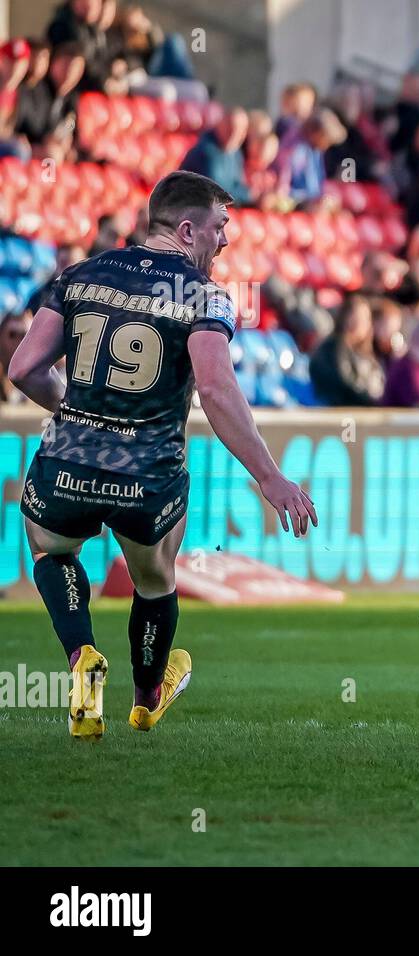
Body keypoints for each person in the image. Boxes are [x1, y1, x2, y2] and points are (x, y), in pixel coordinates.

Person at [6, 170, 317, 740]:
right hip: (148, 476)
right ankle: (147, 698)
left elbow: (23, 368)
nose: (225, 241)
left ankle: (82, 658)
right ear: (187, 228)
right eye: (220, 228)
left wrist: (73, 412)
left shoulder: (80, 275)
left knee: (52, 551)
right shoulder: (202, 296)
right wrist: (271, 478)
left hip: (67, 462)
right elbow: (218, 391)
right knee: (153, 583)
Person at [180, 107, 251, 205]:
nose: (232, 134)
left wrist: (250, 194)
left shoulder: (236, 154)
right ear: (220, 125)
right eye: (229, 127)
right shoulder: (206, 150)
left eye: (237, 130)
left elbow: (238, 186)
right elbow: (217, 192)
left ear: (243, 134)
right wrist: (247, 195)